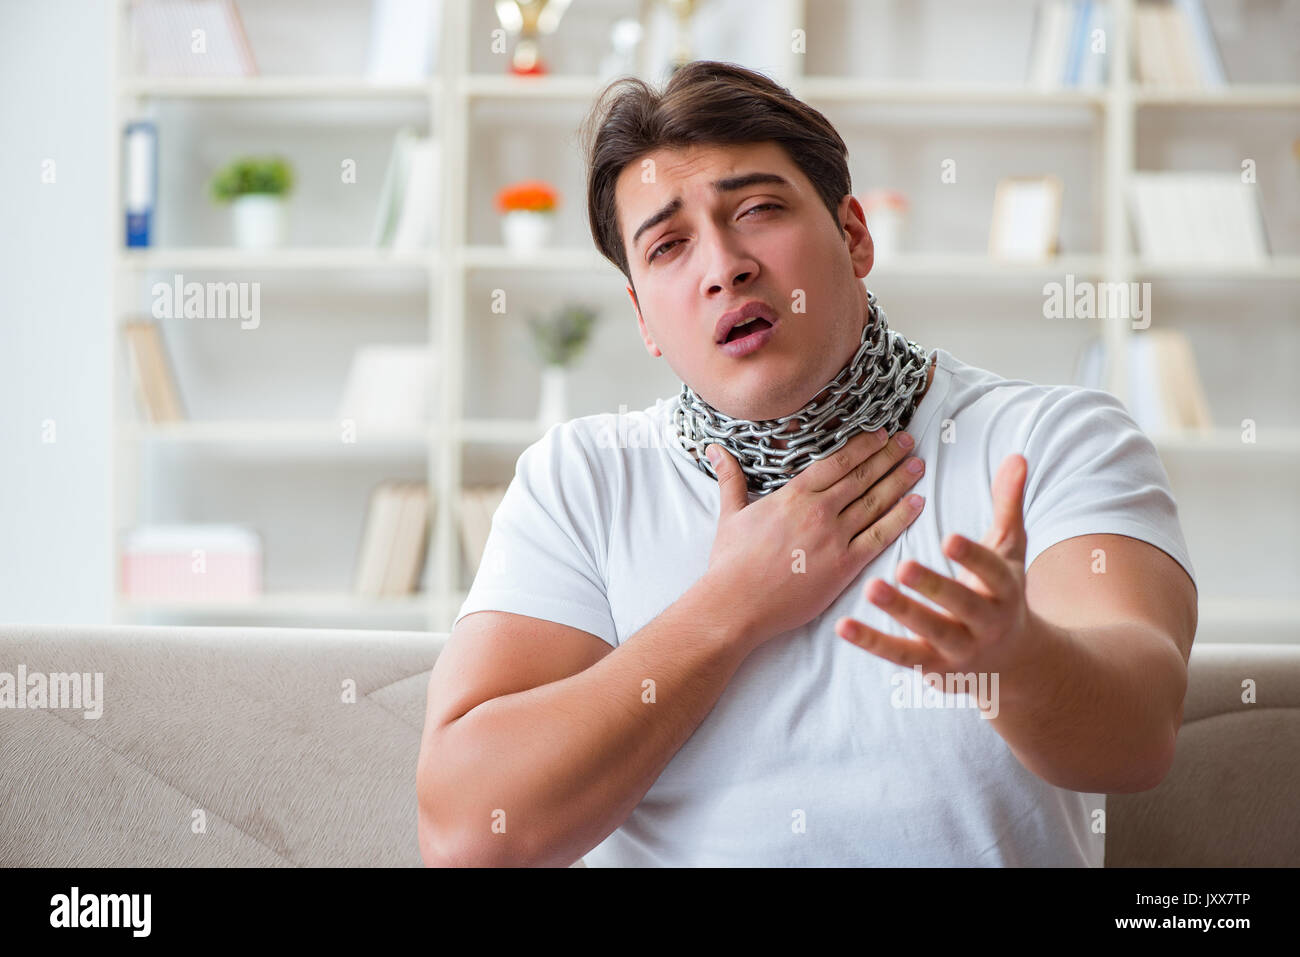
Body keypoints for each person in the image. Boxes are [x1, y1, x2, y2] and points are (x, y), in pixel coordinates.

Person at [417, 61, 1198, 868]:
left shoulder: (1055, 439)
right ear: (644, 317)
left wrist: (1017, 655)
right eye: (669, 246)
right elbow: (468, 832)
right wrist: (729, 607)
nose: (724, 265)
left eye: (756, 209)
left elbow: (1141, 739)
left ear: (855, 236)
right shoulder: (580, 479)